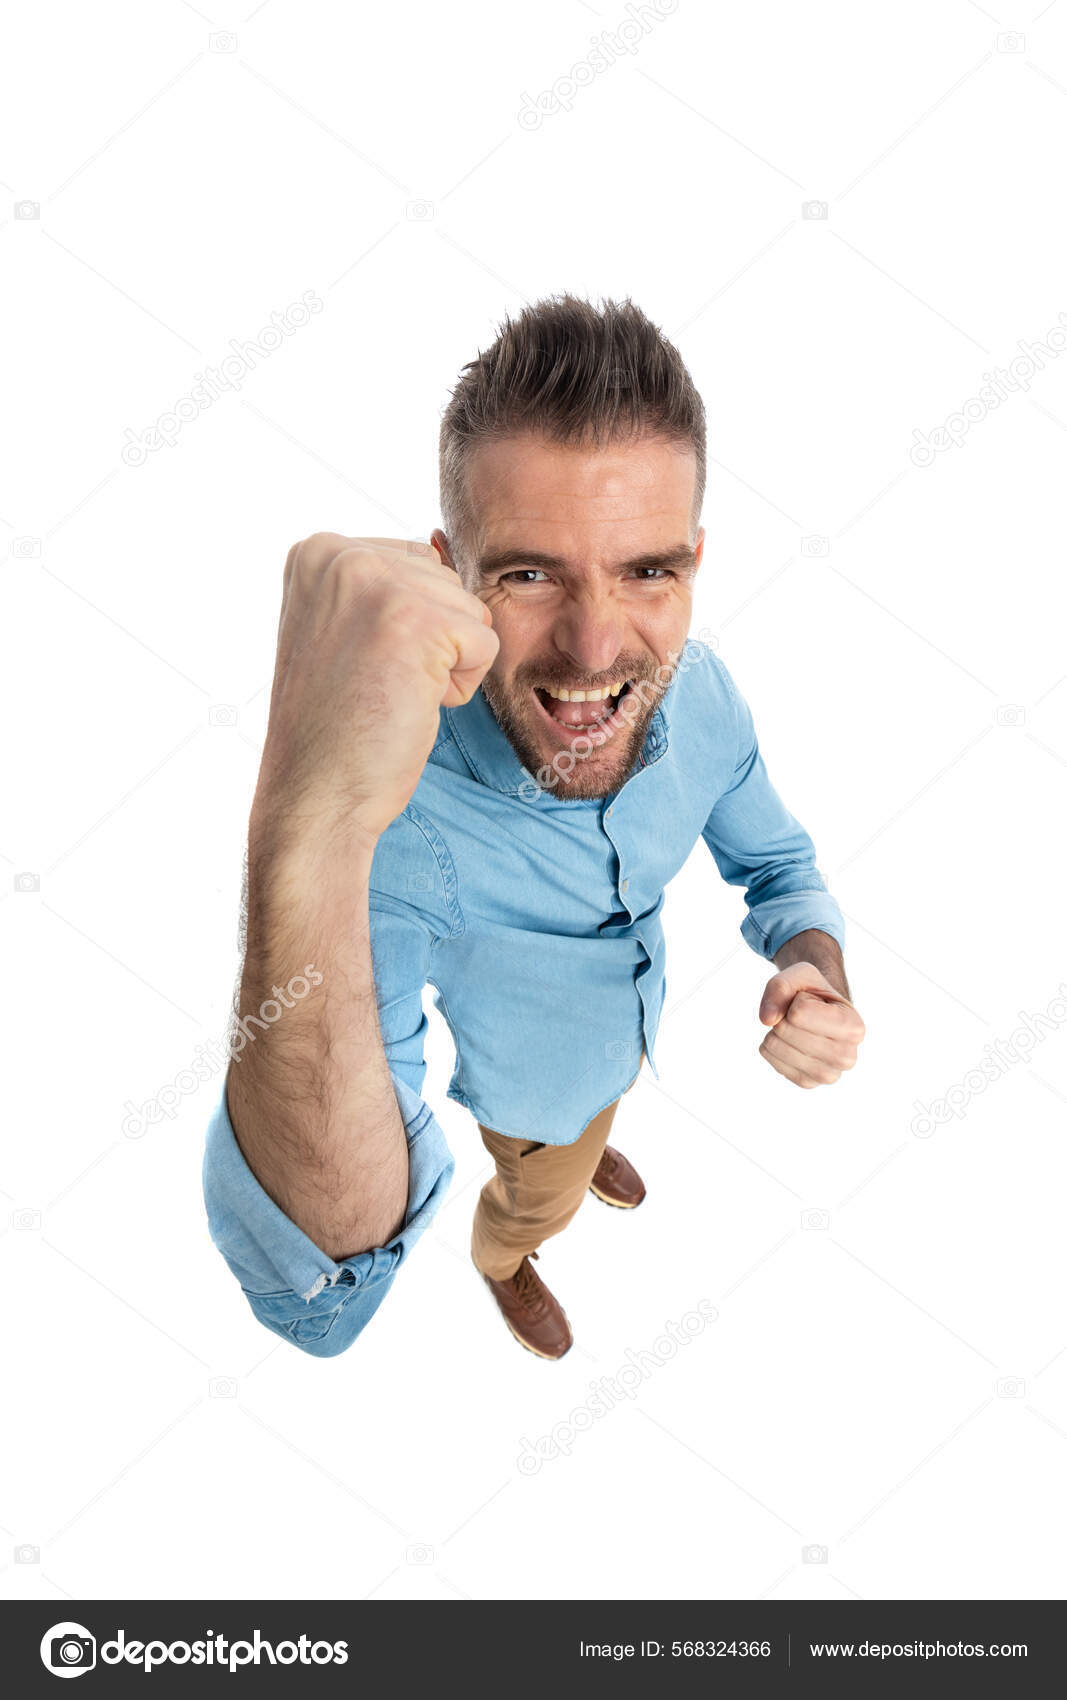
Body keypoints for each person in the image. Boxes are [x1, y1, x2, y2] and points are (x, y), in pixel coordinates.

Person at [201, 294, 866, 1361]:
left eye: (645, 569)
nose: (596, 646)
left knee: (591, 1112)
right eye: (526, 573)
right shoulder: (391, 824)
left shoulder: (700, 693)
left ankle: (588, 1137)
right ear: (447, 569)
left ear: (691, 561)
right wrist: (301, 821)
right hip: (527, 1104)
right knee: (537, 1182)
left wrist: (811, 959)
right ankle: (508, 1250)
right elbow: (320, 1295)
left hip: (618, 1049)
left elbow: (777, 864)